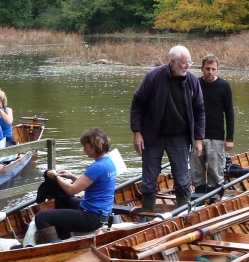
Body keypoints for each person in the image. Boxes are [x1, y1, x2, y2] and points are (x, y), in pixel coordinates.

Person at [129, 45, 205, 213]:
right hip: (152, 136)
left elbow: (200, 111)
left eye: (190, 63)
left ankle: (183, 216)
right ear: (173, 62)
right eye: (184, 63)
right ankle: (146, 217)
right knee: (149, 180)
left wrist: (198, 139)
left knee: (182, 179)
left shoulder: (192, 81)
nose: (188, 67)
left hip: (179, 137)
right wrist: (137, 132)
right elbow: (137, 105)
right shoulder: (153, 77)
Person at [34, 127, 118, 242]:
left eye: (86, 146)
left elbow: (71, 190)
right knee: (62, 200)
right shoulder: (109, 161)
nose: (84, 150)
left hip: (92, 217)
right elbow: (95, 183)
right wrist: (72, 176)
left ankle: (53, 248)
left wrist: (55, 176)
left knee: (41, 217)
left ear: (93, 147)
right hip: (102, 213)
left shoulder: (96, 167)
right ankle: (64, 235)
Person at [190, 54, 235, 193]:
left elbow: (229, 112)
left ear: (217, 69)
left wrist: (230, 138)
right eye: (207, 68)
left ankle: (215, 200)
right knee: (196, 173)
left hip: (216, 136)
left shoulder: (224, 86)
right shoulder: (195, 84)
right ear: (201, 68)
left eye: (213, 69)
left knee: (216, 172)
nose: (210, 72)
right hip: (196, 136)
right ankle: (199, 202)